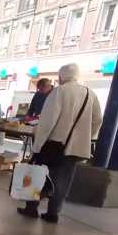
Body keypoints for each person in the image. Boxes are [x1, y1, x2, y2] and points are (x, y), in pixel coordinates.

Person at [17, 63, 102, 224]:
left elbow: (48, 121)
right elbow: (97, 120)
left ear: (62, 76)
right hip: (75, 148)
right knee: (63, 181)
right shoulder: (90, 94)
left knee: (39, 175)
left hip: (53, 144)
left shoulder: (60, 91)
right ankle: (53, 213)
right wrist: (84, 137)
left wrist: (38, 145)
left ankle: (31, 208)